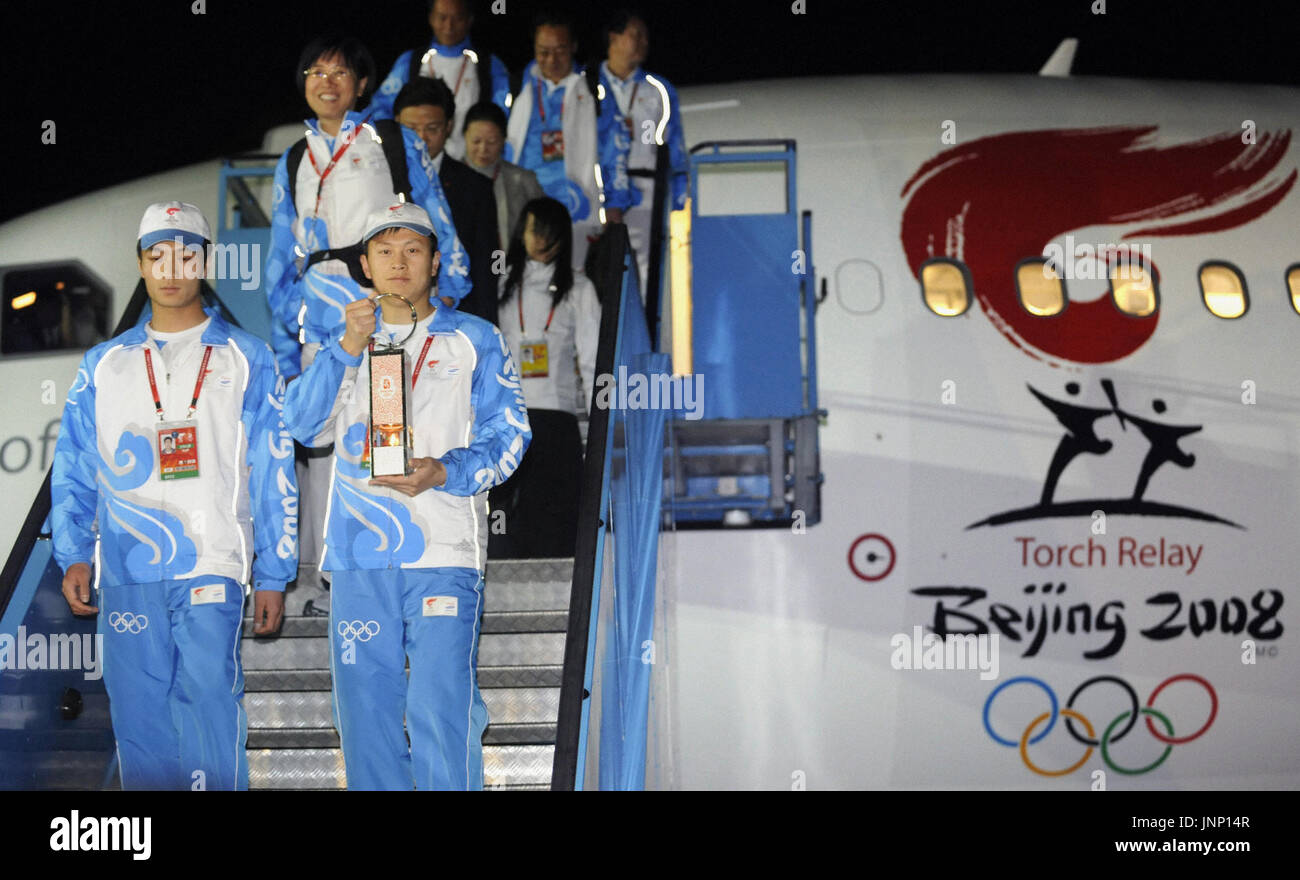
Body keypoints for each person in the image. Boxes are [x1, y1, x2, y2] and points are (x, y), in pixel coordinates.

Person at [282, 202, 531, 790]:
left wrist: (444, 471)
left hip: (443, 552)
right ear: (365, 264)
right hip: (359, 554)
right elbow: (301, 425)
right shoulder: (339, 340)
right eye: (385, 251)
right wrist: (347, 345)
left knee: (440, 711)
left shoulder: (474, 339)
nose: (399, 262)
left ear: (435, 260)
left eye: (413, 249)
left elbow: (512, 433)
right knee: (366, 718)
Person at [52, 201, 298, 790]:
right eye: (157, 256)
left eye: (186, 255)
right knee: (139, 717)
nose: (171, 269)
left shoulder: (249, 358)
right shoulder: (103, 366)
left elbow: (274, 469)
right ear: (140, 264)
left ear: (205, 261)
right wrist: (74, 554)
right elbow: (75, 468)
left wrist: (274, 572)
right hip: (128, 566)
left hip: (212, 560)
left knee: (209, 704)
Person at [264, 35, 469, 613]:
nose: (327, 82)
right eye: (315, 72)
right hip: (317, 313)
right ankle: (324, 571)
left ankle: (383, 559)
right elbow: (282, 247)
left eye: (339, 73)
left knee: (382, 430)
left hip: (381, 306)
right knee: (317, 441)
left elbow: (436, 216)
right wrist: (285, 330)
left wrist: (447, 288)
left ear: (360, 85)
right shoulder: (293, 156)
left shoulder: (390, 141)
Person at [490, 197, 600, 559]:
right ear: (521, 232)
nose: (541, 240)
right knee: (504, 511)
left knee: (557, 508)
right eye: (535, 230)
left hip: (557, 415)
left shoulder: (580, 288)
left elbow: (592, 357)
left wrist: (603, 415)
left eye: (550, 233)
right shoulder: (500, 284)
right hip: (508, 415)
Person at [505, 10, 630, 270]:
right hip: (525, 209)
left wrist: (615, 203)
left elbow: (614, 150)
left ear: (573, 46)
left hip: (578, 209)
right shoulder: (515, 87)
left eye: (560, 50)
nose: (551, 60)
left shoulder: (594, 89)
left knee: (575, 282)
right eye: (543, 51)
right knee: (522, 282)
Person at [596, 9, 689, 296]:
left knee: (645, 271)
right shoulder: (588, 84)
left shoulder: (658, 89)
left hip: (646, 191)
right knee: (593, 265)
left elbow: (675, 146)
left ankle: (643, 334)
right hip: (596, 189)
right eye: (635, 35)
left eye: (645, 37)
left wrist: (681, 198)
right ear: (614, 37)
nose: (642, 43)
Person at [395, 78, 500, 326]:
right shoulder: (379, 181)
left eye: (432, 128)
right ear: (396, 124)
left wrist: (485, 323)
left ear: (449, 127)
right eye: (411, 128)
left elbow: (491, 259)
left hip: (456, 317)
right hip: (392, 316)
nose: (421, 138)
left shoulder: (476, 187)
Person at [370, 0, 511, 161]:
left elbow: (502, 118)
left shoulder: (488, 65)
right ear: (431, 18)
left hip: (471, 164)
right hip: (417, 160)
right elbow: (380, 108)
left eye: (457, 18)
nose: (449, 26)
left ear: (469, 20)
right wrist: (395, 145)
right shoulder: (411, 61)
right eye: (442, 17)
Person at [463, 101, 545, 254]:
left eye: (492, 142)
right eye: (476, 141)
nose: (483, 149)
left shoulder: (523, 180)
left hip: (506, 261)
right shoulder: (449, 178)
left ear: (503, 141)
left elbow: (542, 227)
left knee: (498, 271)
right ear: (464, 136)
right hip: (461, 265)